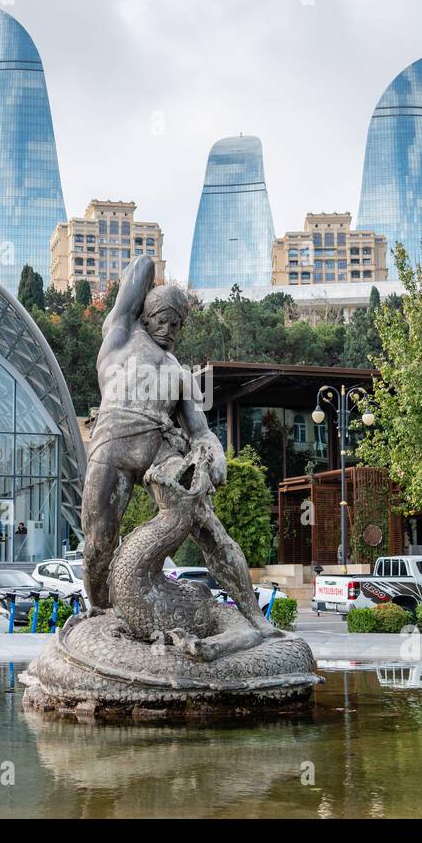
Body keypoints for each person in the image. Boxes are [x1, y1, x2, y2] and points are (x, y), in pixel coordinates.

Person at [80, 255, 276, 635]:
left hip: (161, 450)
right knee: (98, 545)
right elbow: (141, 268)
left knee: (212, 530)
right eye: (162, 320)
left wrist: (214, 453)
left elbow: (199, 430)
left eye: (177, 324)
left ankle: (255, 618)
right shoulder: (119, 335)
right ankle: (103, 614)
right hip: (113, 446)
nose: (169, 330)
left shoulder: (180, 372)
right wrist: (157, 283)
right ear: (145, 316)